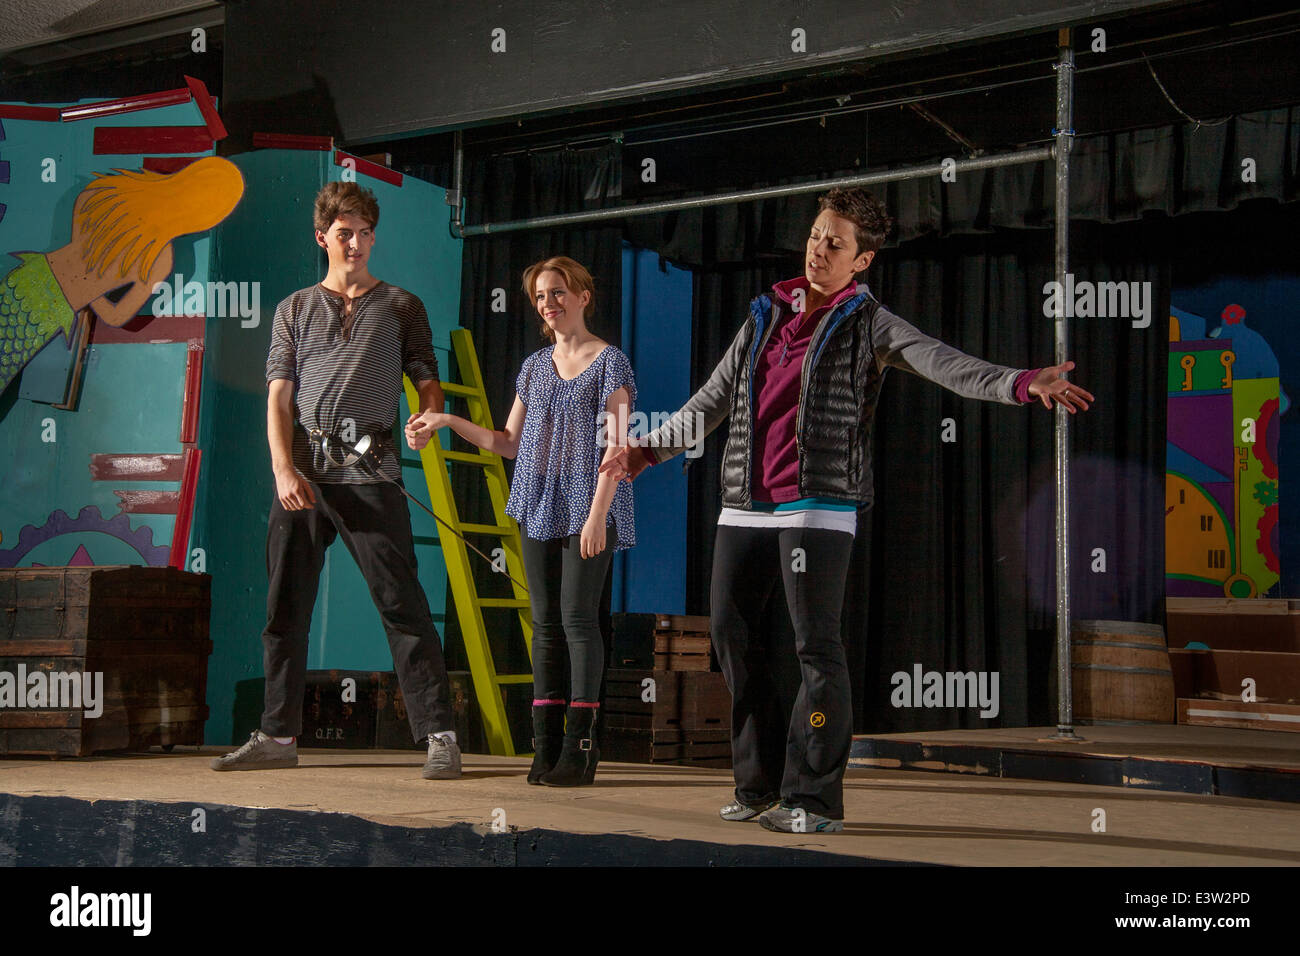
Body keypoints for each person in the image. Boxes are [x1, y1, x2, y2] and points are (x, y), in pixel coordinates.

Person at [604, 187, 1094, 832]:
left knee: (815, 647)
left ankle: (813, 799)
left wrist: (1022, 383)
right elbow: (714, 398)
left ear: (862, 260)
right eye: (815, 236)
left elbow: (945, 364)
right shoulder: (765, 314)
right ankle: (757, 786)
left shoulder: (871, 323)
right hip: (745, 502)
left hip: (817, 503)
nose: (818, 250)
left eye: (835, 244)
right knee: (732, 639)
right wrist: (647, 452)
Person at [211, 181, 462, 779]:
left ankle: (441, 735)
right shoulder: (294, 309)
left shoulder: (402, 305)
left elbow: (427, 380)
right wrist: (283, 469)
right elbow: (279, 398)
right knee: (285, 609)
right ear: (322, 237)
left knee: (402, 604)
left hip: (372, 473)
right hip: (303, 477)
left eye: (365, 233)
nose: (356, 243)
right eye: (345, 233)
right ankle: (278, 736)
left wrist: (428, 418)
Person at [405, 256, 634, 787]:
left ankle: (581, 747)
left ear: (583, 296)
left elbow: (618, 447)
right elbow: (508, 443)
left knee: (579, 621)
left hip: (590, 504)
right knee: (546, 624)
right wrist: (446, 419)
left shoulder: (611, 363)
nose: (548, 303)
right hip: (539, 502)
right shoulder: (533, 367)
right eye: (540, 296)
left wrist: (597, 516)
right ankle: (546, 746)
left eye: (558, 292)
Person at [1, 157, 244, 394]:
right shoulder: (161, 260)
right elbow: (116, 316)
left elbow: (84, 200)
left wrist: (83, 262)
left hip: (33, 274)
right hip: (51, 312)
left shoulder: (120, 190)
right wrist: (91, 290)